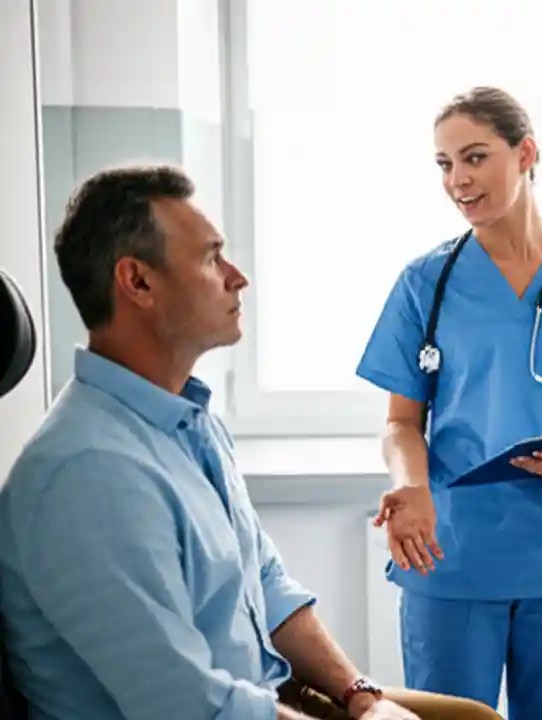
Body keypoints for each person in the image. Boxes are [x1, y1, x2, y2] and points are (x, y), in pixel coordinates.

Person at [0, 165, 502, 720]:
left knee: (474, 718)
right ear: (138, 281)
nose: (238, 276)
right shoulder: (87, 472)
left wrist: (361, 696)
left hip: (267, 695)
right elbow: (188, 704)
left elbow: (266, 585)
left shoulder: (187, 421)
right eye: (211, 258)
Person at [356, 86, 542, 720]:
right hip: (452, 552)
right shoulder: (425, 283)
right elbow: (400, 423)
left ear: (526, 154)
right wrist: (410, 488)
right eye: (444, 164)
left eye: (474, 158)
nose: (458, 181)